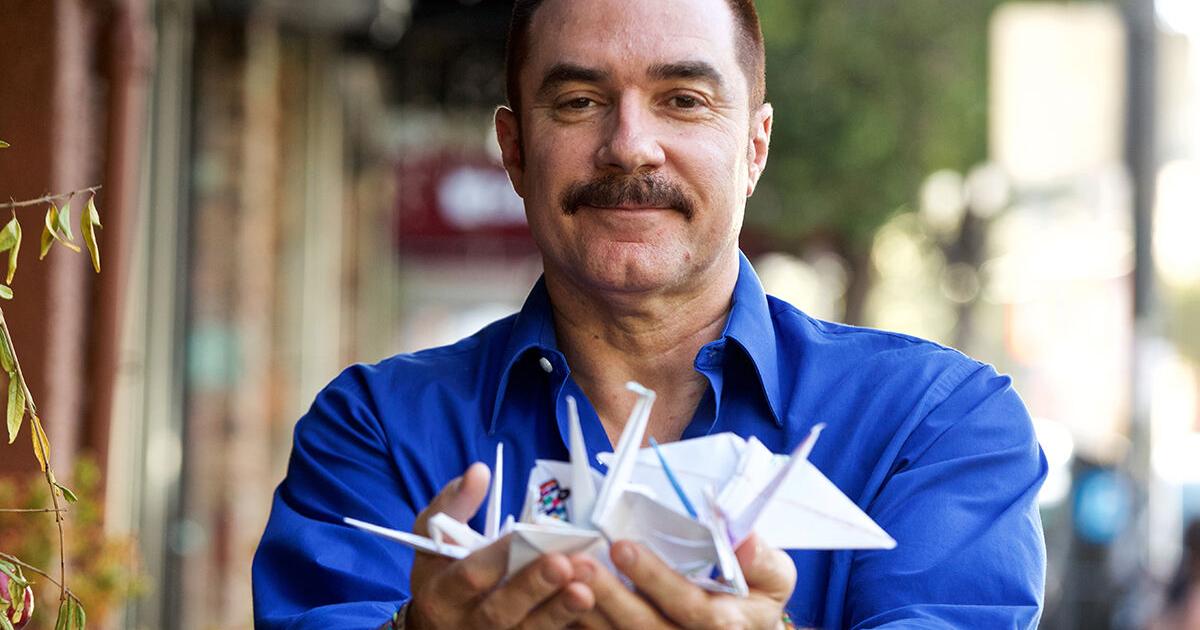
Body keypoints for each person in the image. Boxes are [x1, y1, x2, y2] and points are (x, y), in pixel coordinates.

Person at [252, 0, 1048, 628]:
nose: (630, 145)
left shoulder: (935, 426)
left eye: (684, 100)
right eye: (578, 100)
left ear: (755, 147)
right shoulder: (375, 430)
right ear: (515, 151)